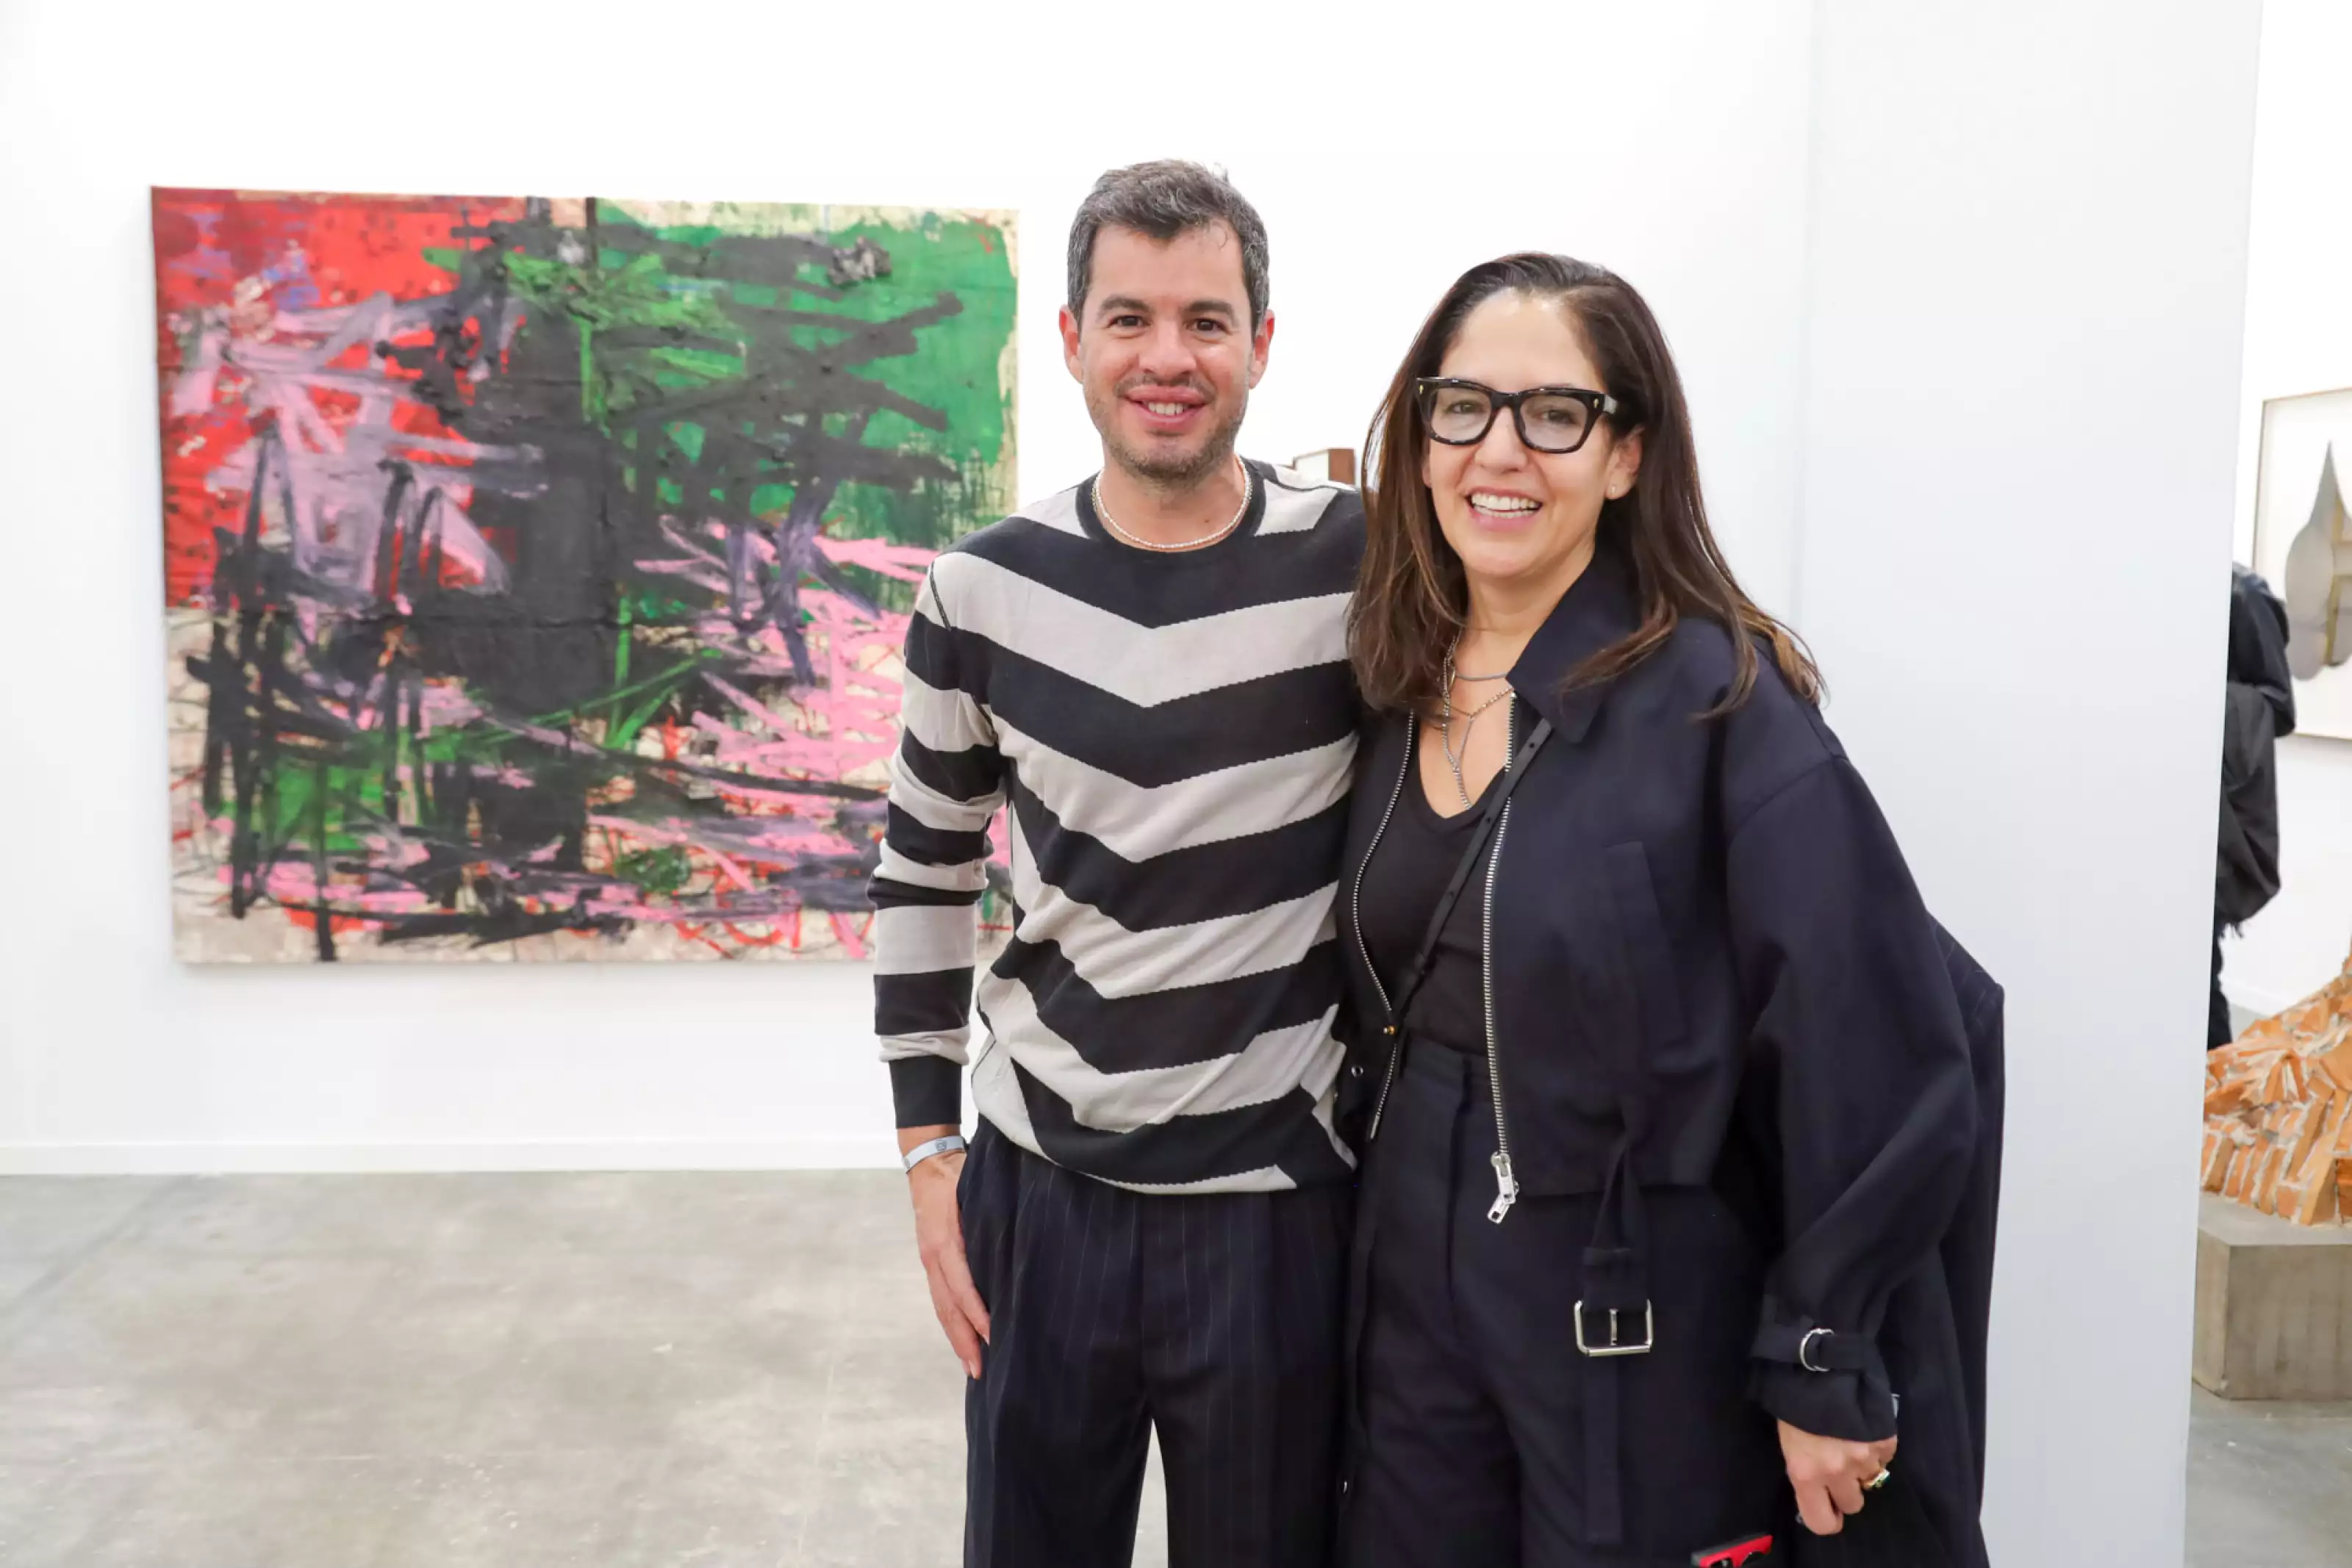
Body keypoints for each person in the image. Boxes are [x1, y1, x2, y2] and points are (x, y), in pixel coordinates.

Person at [1333, 254, 1986, 1566]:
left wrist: (1823, 1343)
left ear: (1625, 456)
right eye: (1462, 405)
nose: (1500, 448)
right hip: (1409, 1263)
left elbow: (1877, 1032)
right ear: (1417, 439)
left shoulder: (1718, 701)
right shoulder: (1389, 676)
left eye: (1554, 413)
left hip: (1625, 1294)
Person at [868, 160, 1365, 1568]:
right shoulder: (981, 588)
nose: (1169, 357)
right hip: (1040, 1193)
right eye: (1131, 317)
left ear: (1261, 344)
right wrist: (925, 1156)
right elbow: (922, 874)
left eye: (1207, 320)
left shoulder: (1358, 559)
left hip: (1277, 1206)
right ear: (1075, 337)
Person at [2213, 564, 2295, 1048]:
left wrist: (2197, 703)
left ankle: (2213, 1103)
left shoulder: (2241, 593)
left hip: (2219, 808)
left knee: (2200, 974)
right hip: (2170, 798)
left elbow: (2280, 705)